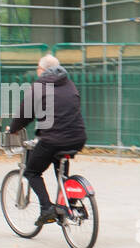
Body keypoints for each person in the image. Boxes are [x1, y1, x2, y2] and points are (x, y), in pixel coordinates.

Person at [6, 54, 87, 226]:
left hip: (53, 139)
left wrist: (13, 130)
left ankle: (46, 208)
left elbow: (24, 114)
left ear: (42, 70)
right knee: (61, 171)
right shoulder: (69, 84)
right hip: (77, 137)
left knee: (31, 171)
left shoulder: (38, 86)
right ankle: (68, 205)